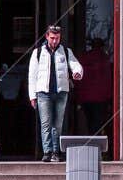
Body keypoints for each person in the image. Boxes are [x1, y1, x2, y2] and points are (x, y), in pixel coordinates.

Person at [27, 22, 82, 161]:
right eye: (52, 37)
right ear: (47, 36)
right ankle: (47, 151)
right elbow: (32, 75)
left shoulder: (66, 51)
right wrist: (32, 96)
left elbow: (75, 65)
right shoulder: (38, 52)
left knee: (57, 124)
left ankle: (55, 152)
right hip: (43, 93)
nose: (54, 40)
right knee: (45, 123)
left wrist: (77, 72)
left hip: (61, 92)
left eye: (57, 38)